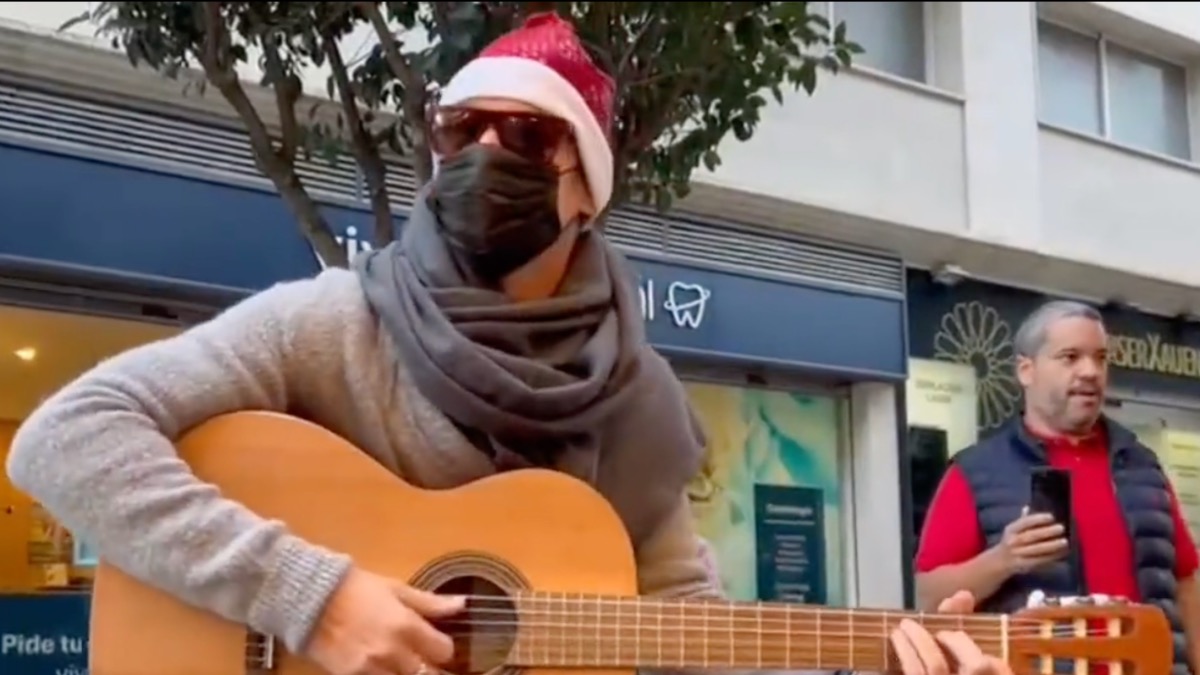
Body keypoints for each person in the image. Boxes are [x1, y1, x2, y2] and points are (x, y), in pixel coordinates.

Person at [7, 12, 1006, 675]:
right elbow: (64, 439)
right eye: (460, 130)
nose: (485, 154)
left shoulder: (638, 409)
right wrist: (313, 597)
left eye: (527, 137)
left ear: (586, 189)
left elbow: (686, 641)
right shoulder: (330, 322)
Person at [914, 300, 1200, 674]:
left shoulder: (1142, 463)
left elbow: (1185, 582)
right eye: (1070, 357)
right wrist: (1003, 560)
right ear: (1026, 370)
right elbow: (927, 596)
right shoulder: (975, 472)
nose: (1090, 371)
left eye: (1100, 358)